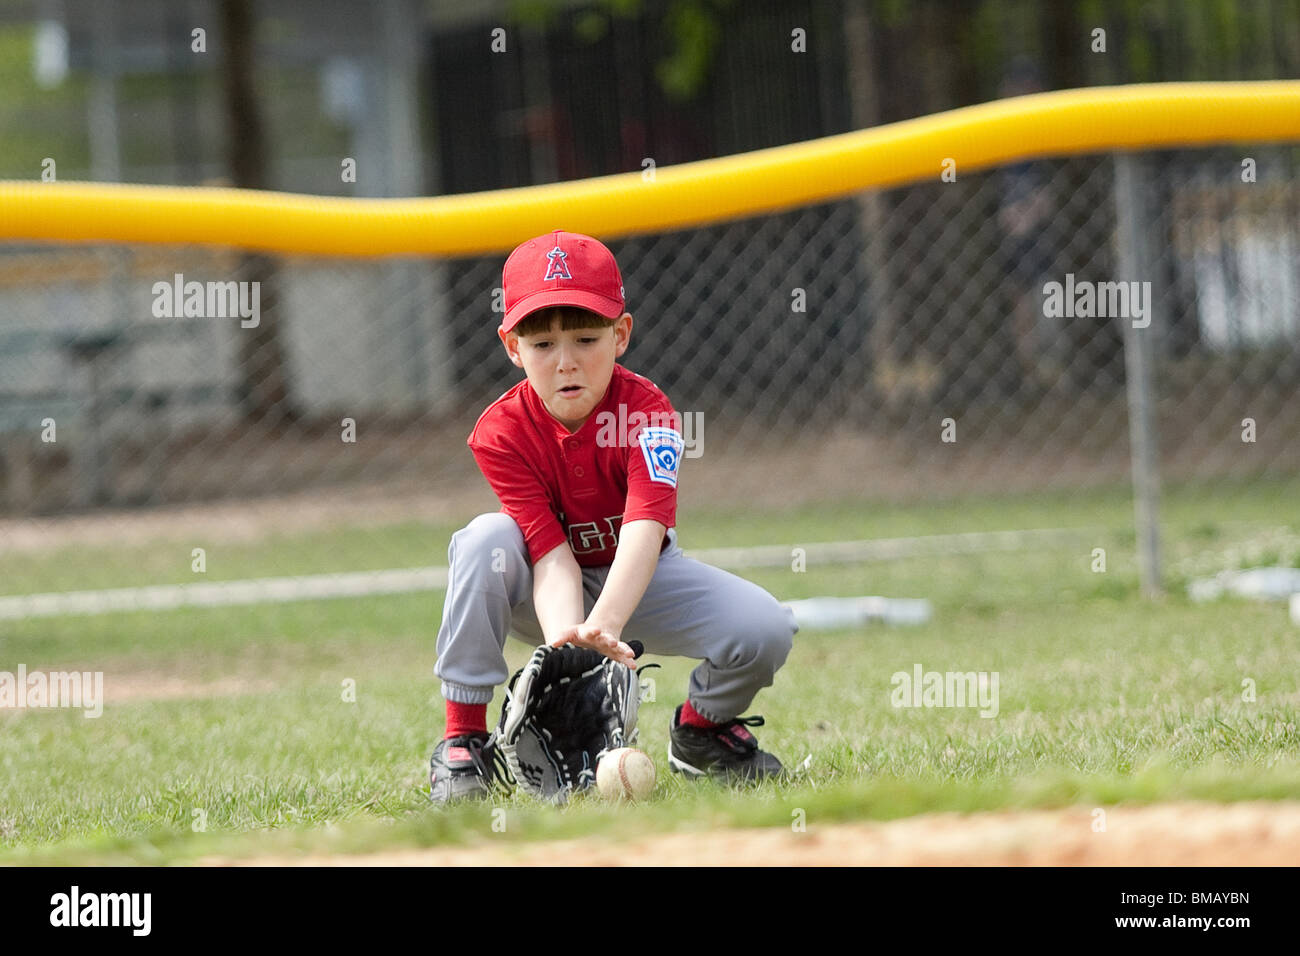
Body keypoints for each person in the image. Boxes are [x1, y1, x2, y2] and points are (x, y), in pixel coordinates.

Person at [429, 229, 797, 802]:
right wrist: (568, 654)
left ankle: (702, 733)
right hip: (542, 590)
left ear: (621, 334)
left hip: (638, 576)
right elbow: (549, 555)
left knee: (766, 628)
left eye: (586, 337)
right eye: (543, 344)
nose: (566, 361)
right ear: (511, 347)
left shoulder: (648, 413)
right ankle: (463, 740)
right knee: (485, 540)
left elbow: (645, 531)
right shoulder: (500, 433)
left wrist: (606, 627)